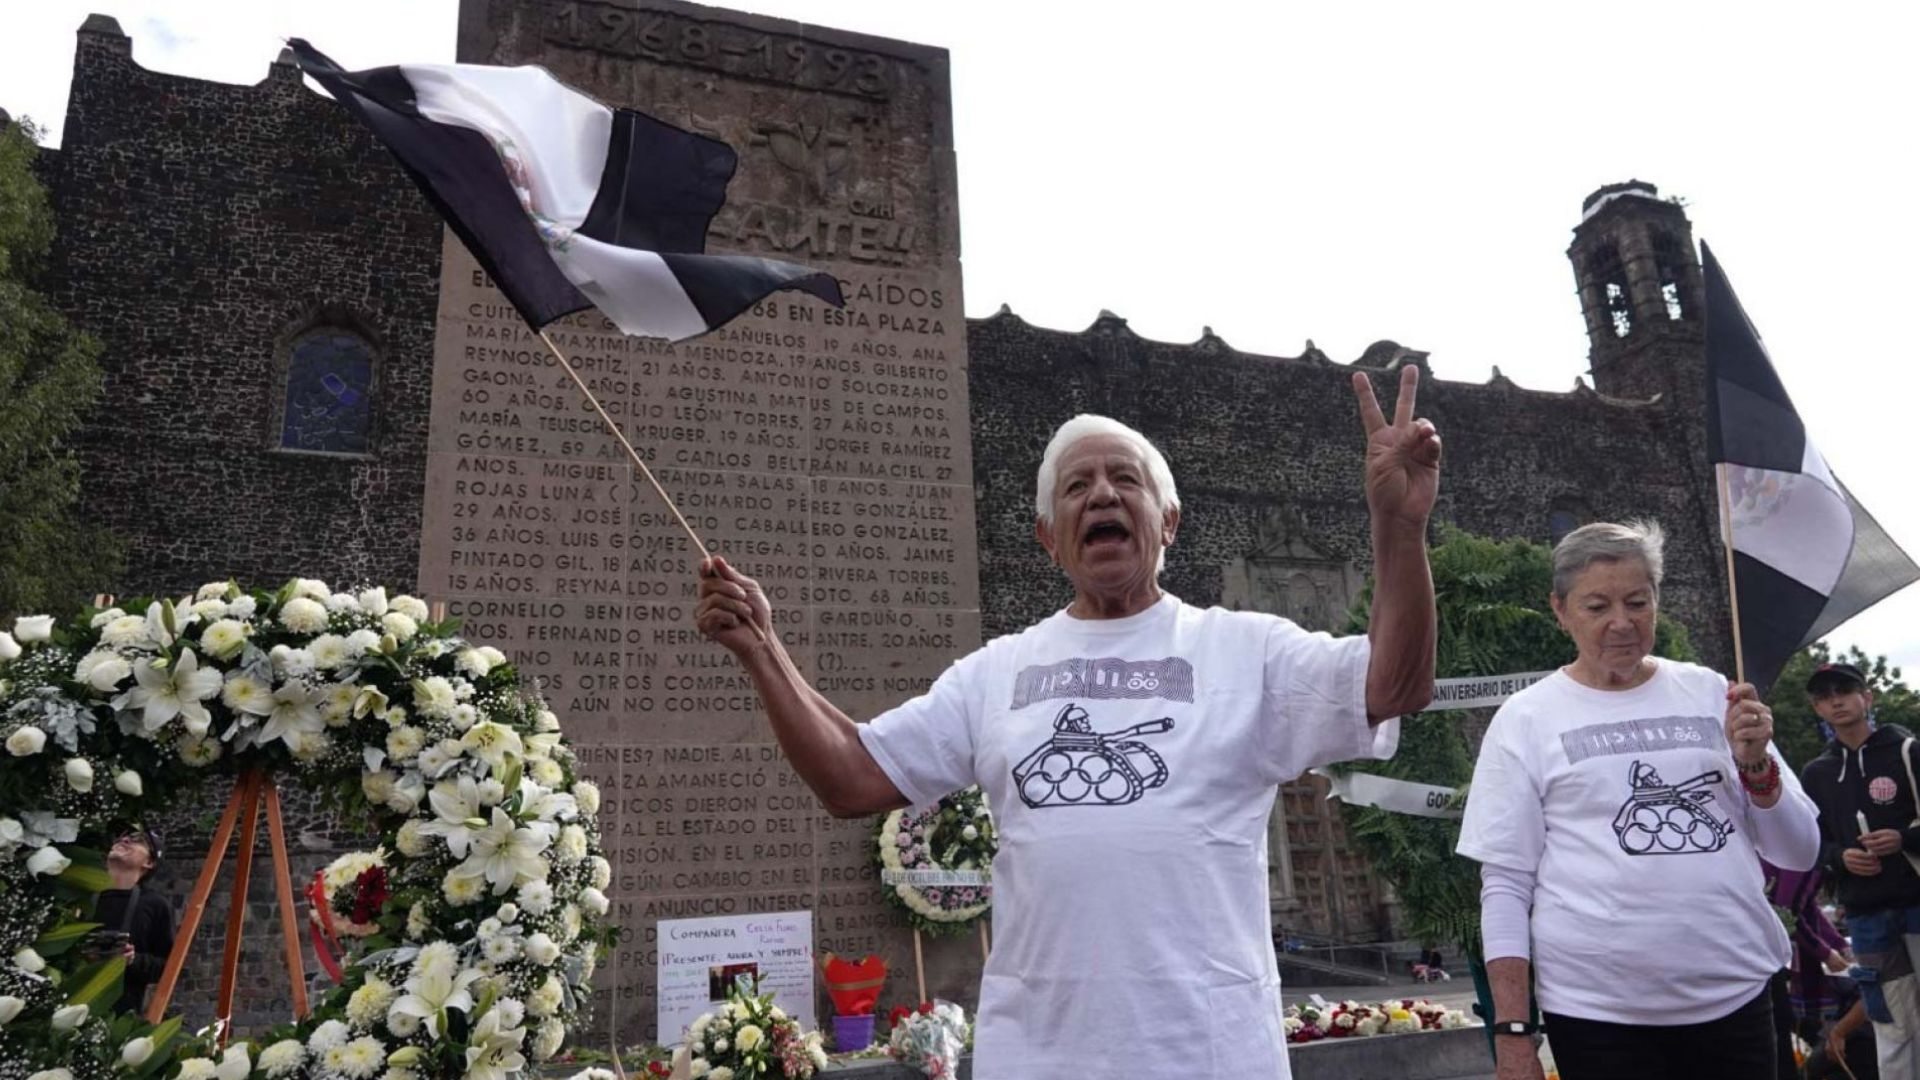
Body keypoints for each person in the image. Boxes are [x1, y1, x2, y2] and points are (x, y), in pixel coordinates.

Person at [695, 365, 1441, 1078]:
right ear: (1050, 538)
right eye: (1076, 487)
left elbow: (1394, 684)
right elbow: (851, 775)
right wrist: (763, 651)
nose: (1101, 494)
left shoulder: (1246, 649)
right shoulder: (998, 671)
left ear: (1169, 520)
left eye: (1125, 480)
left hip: (1210, 1053)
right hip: (1043, 1058)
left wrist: (1398, 529)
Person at [1455, 520, 1821, 1080]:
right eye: (1597, 606)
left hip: (1738, 996)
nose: (1621, 623)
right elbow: (1505, 885)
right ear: (1560, 610)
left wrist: (1756, 765)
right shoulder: (1526, 719)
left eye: (1637, 601)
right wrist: (1512, 1035)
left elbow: (1799, 851)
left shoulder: (1711, 692)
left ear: (1657, 601)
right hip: (1598, 1017)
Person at [1801, 660, 1920, 1078]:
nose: (1836, 702)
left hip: (1916, 902)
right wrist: (1839, 858)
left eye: (1844, 691)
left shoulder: (1908, 752)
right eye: (1824, 697)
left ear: (1867, 697)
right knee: (1892, 1023)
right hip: (1867, 914)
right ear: (1818, 709)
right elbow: (1810, 844)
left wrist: (1902, 838)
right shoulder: (1816, 774)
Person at [92, 827, 176, 1015]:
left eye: (138, 840)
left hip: (120, 1009)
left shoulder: (155, 905)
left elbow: (168, 966)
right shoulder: (82, 893)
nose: (126, 840)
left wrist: (132, 960)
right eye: (122, 836)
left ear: (149, 862)